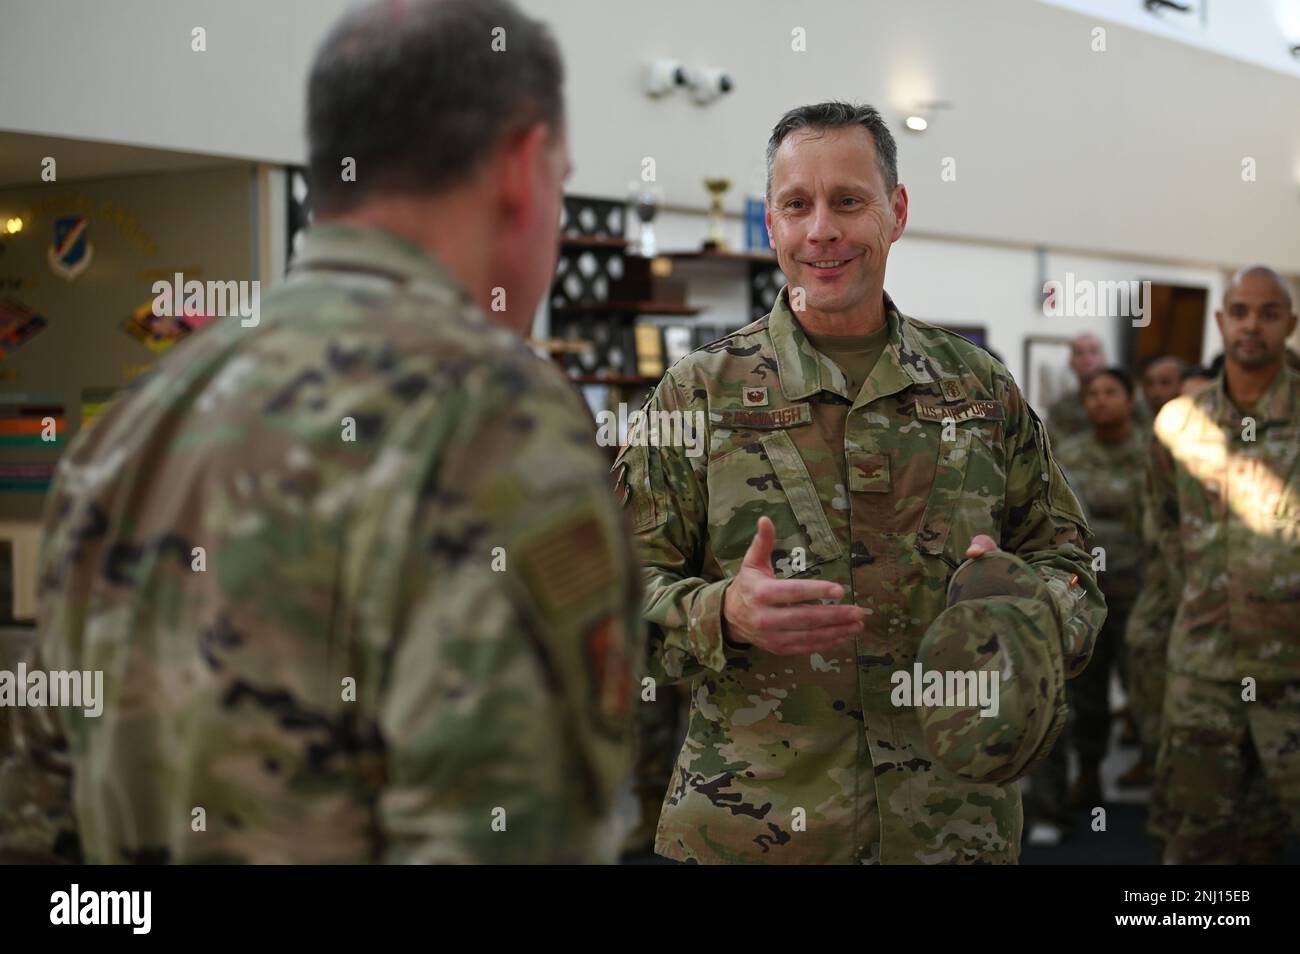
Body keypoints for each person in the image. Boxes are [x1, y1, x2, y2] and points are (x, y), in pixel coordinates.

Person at [0, 0, 642, 865]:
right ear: (524, 169)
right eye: (563, 181)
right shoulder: (492, 417)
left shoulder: (137, 418)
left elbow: (39, 813)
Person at [613, 101, 1105, 864]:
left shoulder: (979, 388)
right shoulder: (698, 394)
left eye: (849, 201)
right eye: (796, 206)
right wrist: (722, 613)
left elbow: (1075, 568)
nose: (823, 231)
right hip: (754, 829)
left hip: (952, 829)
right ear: (771, 225)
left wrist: (1029, 608)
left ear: (896, 211)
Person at [1147, 265, 1300, 864]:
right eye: (1240, 312)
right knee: (1199, 835)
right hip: (1205, 666)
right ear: (1220, 321)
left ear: (1289, 322)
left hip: (1293, 668)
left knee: (1267, 836)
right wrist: (1209, 591)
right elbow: (1163, 520)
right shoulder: (1179, 425)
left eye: (1268, 312)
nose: (1252, 326)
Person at [1053, 369, 1147, 806]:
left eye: (1112, 391)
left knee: (1147, 686)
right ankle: (1088, 773)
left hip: (1143, 590)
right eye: (1092, 394)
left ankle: (1158, 768)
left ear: (1131, 399)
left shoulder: (1154, 454)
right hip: (1088, 593)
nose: (1101, 401)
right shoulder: (1066, 457)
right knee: (1087, 690)